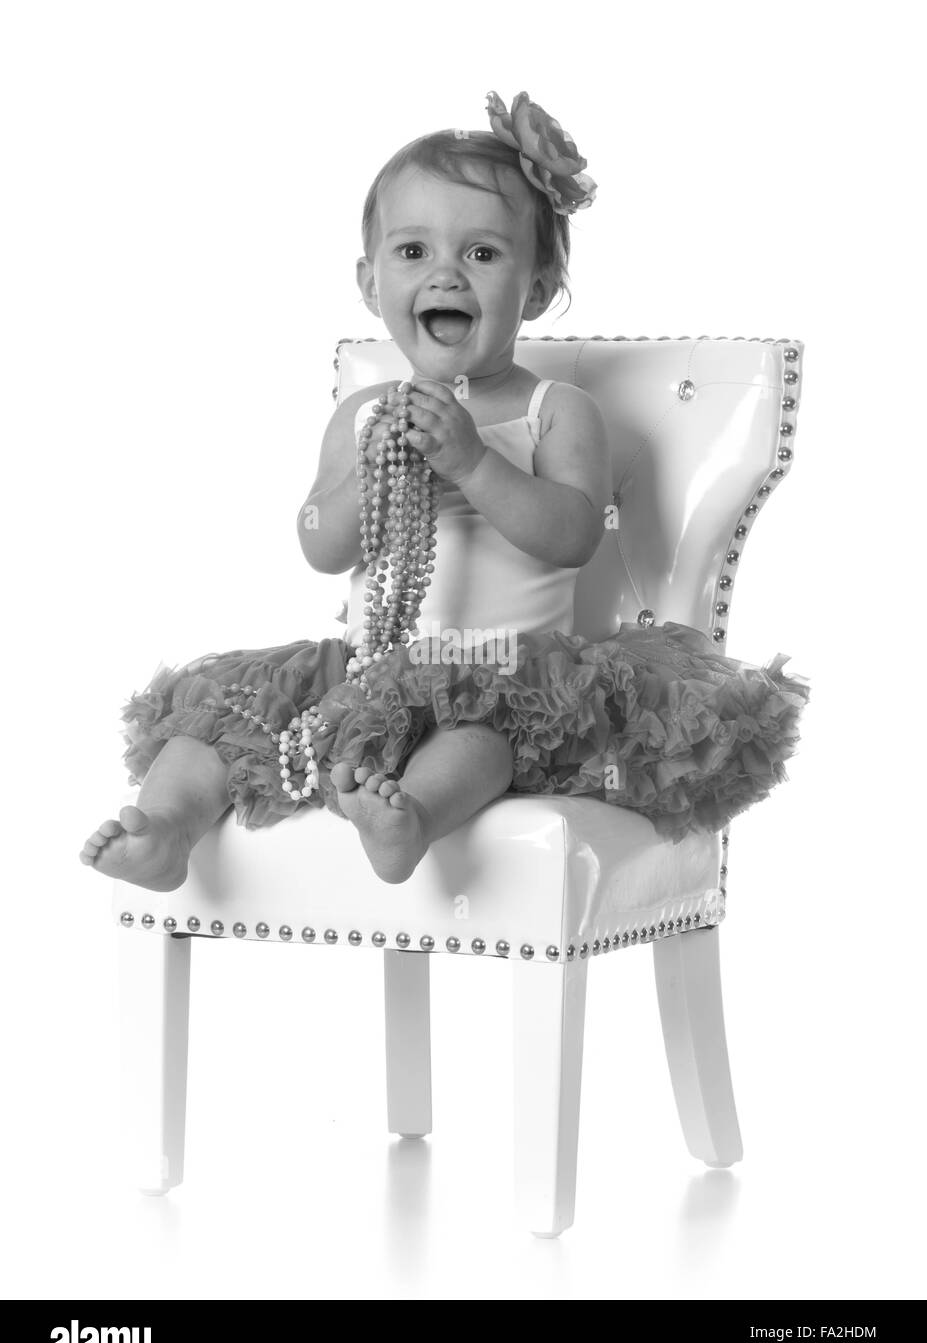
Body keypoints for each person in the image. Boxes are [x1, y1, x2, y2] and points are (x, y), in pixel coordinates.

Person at [80, 90, 810, 890]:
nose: (446, 274)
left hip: (499, 670)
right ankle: (167, 830)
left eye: (483, 254)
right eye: (413, 251)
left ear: (535, 289)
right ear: (369, 282)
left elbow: (569, 534)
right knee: (216, 721)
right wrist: (371, 471)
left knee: (480, 740)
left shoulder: (554, 412)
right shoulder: (363, 414)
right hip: (365, 666)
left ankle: (409, 818)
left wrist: (471, 463)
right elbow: (321, 544)